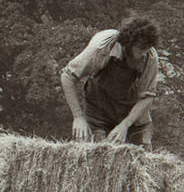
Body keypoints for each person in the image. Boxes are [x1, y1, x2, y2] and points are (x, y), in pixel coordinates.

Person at [60, 18, 161, 146]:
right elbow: (67, 77)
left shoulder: (150, 57)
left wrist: (125, 124)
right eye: (141, 48)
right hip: (99, 112)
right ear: (129, 43)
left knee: (142, 156)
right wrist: (78, 117)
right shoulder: (102, 47)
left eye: (148, 48)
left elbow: (147, 97)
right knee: (99, 154)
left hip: (130, 114)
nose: (144, 53)